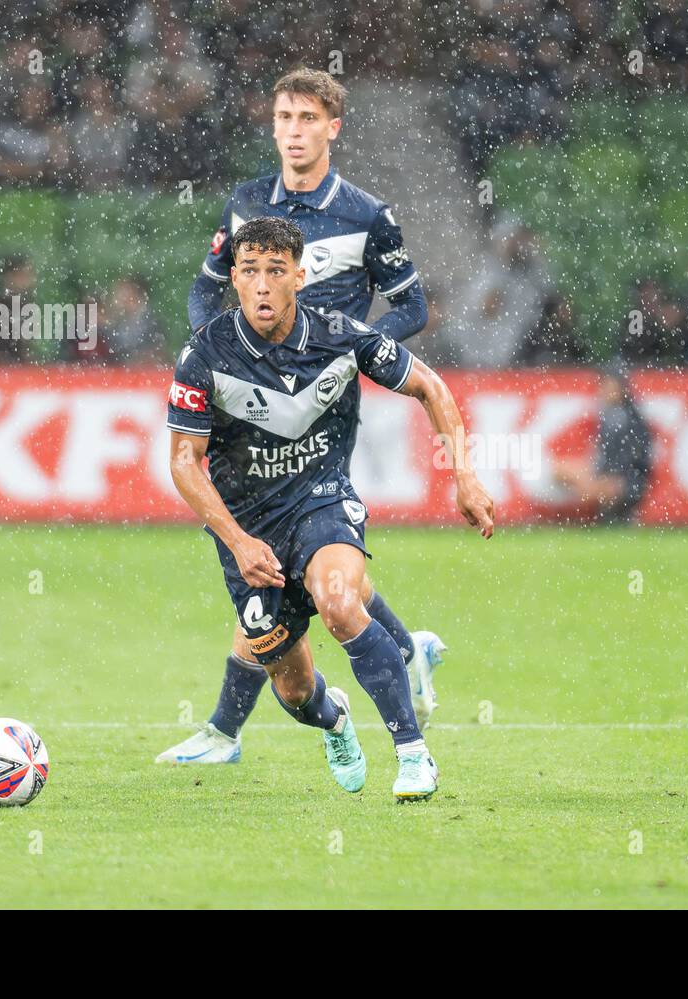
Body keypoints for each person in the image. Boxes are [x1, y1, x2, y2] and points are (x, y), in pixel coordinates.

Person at [160, 66, 436, 766]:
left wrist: (353, 349)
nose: (294, 131)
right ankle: (408, 650)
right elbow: (204, 288)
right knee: (282, 549)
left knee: (289, 540)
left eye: (308, 119)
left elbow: (412, 305)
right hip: (248, 379)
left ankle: (225, 729)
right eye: (284, 119)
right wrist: (216, 348)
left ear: (332, 128)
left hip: (321, 396)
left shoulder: (368, 214)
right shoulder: (247, 203)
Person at [165, 217, 494, 800]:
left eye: (274, 271)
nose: (262, 285)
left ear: (299, 274)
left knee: (340, 600)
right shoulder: (203, 355)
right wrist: (239, 543)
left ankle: (413, 753)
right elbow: (184, 463)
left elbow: (432, 389)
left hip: (321, 501)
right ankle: (336, 719)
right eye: (249, 272)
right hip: (249, 534)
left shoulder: (342, 335)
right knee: (294, 693)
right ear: (234, 282)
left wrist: (463, 477)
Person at [553, 367, 654, 522]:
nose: (604, 390)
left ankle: (605, 515)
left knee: (586, 484)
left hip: (625, 481)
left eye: (608, 386)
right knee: (560, 470)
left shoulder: (630, 419)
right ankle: (598, 513)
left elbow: (636, 459)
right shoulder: (610, 414)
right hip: (608, 474)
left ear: (621, 389)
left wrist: (610, 476)